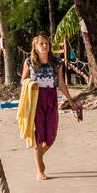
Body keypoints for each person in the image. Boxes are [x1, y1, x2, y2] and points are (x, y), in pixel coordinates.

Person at [21, 33, 80, 180]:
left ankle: (38, 157)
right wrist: (31, 84)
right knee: (39, 135)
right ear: (35, 47)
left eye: (46, 43)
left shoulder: (57, 62)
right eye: (40, 43)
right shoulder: (29, 62)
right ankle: (40, 170)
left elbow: (61, 83)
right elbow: (23, 80)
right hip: (36, 98)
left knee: (51, 136)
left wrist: (70, 100)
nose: (44, 45)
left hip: (51, 98)